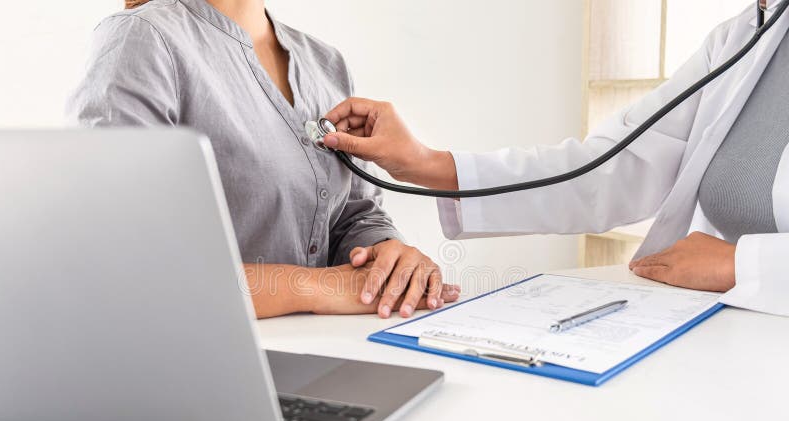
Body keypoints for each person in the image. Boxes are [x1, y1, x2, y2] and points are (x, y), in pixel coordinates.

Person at [321, 1, 789, 317]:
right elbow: (613, 166)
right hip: (733, 329)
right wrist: (428, 164)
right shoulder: (745, 35)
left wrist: (744, 265)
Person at [67, 0, 460, 319]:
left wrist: (388, 260)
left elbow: (354, 217)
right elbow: (119, 265)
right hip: (192, 366)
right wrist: (317, 287)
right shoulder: (143, 39)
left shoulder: (325, 63)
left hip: (330, 356)